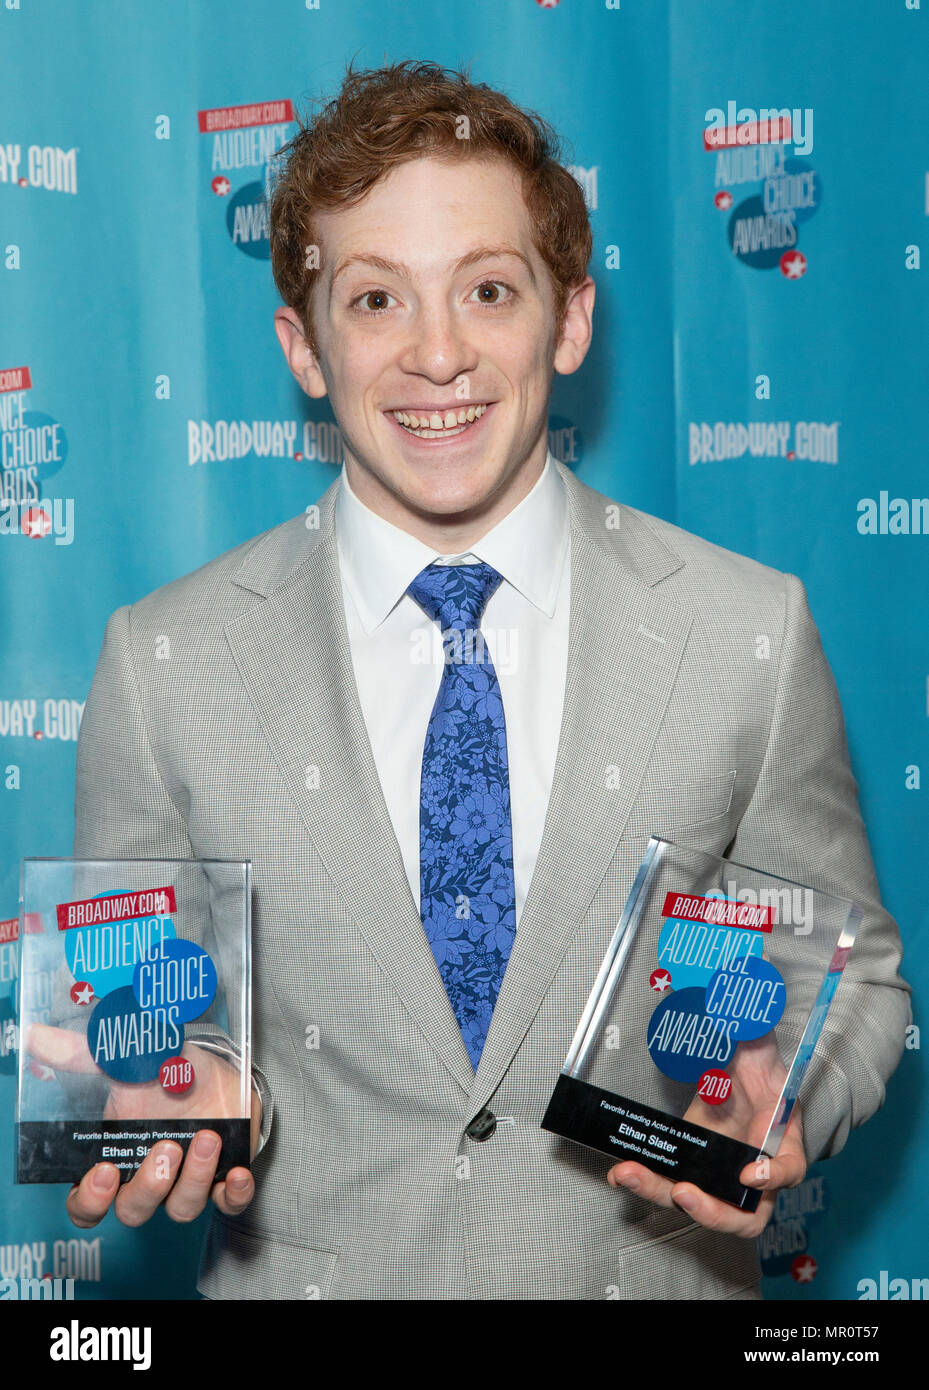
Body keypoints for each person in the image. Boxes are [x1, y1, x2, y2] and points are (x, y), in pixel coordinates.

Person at [53, 60, 909, 1299]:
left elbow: (856, 979)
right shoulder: (164, 660)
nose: (437, 354)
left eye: (487, 290)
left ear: (567, 319)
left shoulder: (745, 629)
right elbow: (139, 1010)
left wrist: (794, 1083)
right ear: (303, 347)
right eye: (375, 301)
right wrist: (174, 1079)